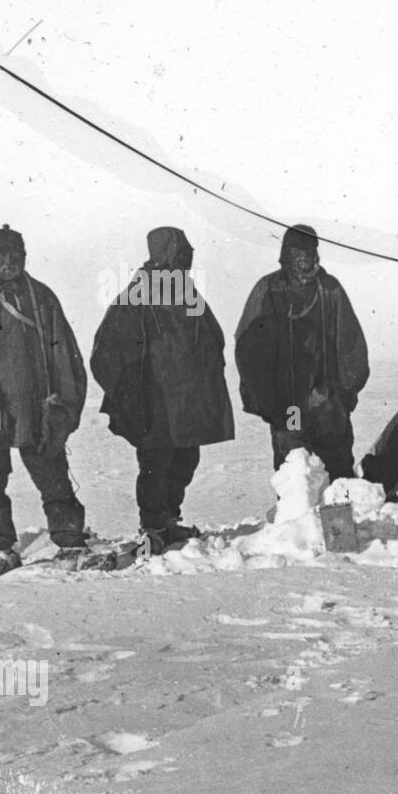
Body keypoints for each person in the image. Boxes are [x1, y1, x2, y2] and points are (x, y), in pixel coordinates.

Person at [0, 225, 91, 576]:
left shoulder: (40, 298)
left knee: (52, 474)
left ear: (24, 257)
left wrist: (63, 408)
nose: (9, 262)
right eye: (1, 256)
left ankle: (70, 539)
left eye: (15, 255)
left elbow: (64, 354)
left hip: (35, 407)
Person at [90, 227, 235, 553]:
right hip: (155, 403)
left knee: (185, 461)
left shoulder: (188, 293)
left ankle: (168, 519)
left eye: (186, 255)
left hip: (186, 401)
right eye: (179, 254)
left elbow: (212, 335)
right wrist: (131, 395)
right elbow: (105, 354)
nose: (185, 260)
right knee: (155, 465)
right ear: (164, 256)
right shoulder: (136, 295)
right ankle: (153, 526)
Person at [234, 225, 369, 482]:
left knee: (337, 465)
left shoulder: (330, 289)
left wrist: (342, 393)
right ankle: (298, 521)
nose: (303, 255)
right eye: (297, 249)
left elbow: (351, 345)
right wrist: (268, 401)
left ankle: (337, 522)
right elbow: (248, 349)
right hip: (290, 406)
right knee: (296, 469)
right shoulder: (268, 289)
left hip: (326, 400)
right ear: (286, 252)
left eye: (309, 249)